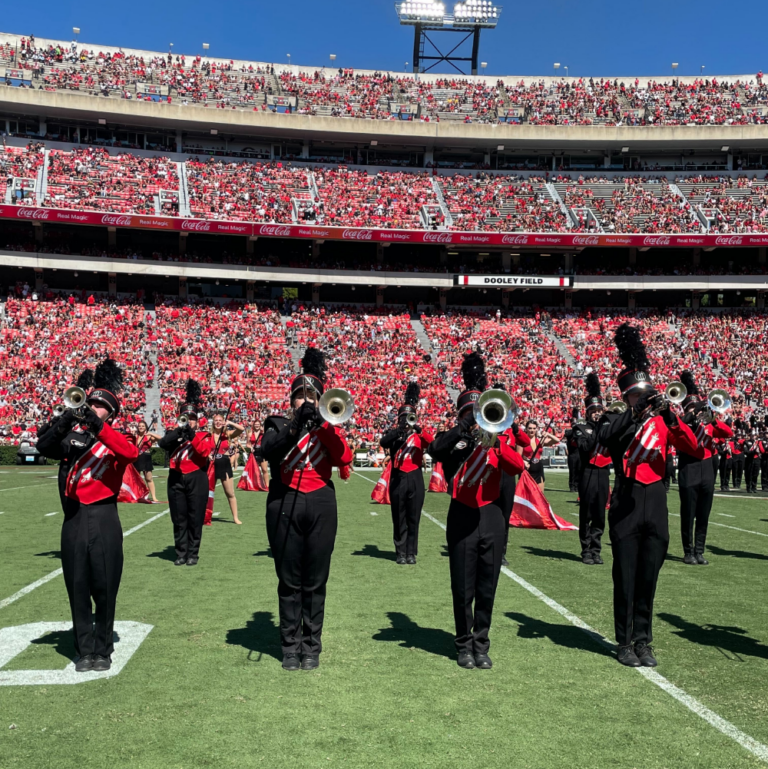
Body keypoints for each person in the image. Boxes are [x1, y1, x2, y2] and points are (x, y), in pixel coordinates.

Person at [598, 324, 697, 669]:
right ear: (626, 396)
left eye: (646, 394)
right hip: (626, 500)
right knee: (625, 575)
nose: (644, 398)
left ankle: (644, 640)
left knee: (649, 575)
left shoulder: (662, 422)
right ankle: (624, 642)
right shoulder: (617, 417)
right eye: (636, 394)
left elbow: (692, 448)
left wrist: (671, 417)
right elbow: (607, 437)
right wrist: (634, 414)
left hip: (655, 500)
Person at [36, 358, 139, 673]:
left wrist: (97, 426)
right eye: (90, 403)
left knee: (105, 586)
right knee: (77, 585)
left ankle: (103, 649)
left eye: (99, 405)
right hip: (75, 518)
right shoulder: (71, 439)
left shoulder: (117, 439)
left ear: (111, 412)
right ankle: (84, 650)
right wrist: (67, 419)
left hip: (105, 516)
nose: (92, 407)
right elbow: (44, 445)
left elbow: (130, 453)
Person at [429, 352, 525, 670]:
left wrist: (495, 441)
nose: (476, 417)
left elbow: (517, 466)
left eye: (479, 411)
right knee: (462, 586)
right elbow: (436, 450)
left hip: (492, 515)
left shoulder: (498, 438)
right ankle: (463, 645)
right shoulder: (454, 439)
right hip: (462, 513)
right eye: (470, 412)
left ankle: (481, 644)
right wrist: (463, 427)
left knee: (487, 585)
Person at [261, 348, 353, 672]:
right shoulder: (277, 423)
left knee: (315, 580)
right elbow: (267, 450)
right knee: (288, 581)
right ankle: (290, 646)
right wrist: (296, 425)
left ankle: (311, 646)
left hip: (321, 502)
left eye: (311, 395)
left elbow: (343, 458)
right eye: (300, 395)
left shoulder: (327, 427)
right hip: (285, 501)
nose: (306, 401)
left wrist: (322, 427)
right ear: (291, 400)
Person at [676, 371, 733, 565]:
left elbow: (728, 433)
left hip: (707, 469)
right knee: (688, 513)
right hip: (689, 468)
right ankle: (688, 551)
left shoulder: (707, 424)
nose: (697, 410)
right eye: (692, 407)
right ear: (686, 408)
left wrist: (714, 419)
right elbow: (678, 430)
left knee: (703, 513)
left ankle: (699, 551)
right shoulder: (683, 424)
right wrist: (691, 415)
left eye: (697, 406)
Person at [158, 379, 216, 566]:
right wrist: (179, 433)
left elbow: (204, 452)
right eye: (185, 418)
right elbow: (162, 444)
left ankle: (193, 553)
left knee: (195, 516)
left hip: (197, 477)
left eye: (192, 419)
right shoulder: (174, 434)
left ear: (197, 421)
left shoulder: (203, 436)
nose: (189, 421)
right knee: (179, 517)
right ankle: (180, 553)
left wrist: (191, 436)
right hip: (176, 478)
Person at [379, 382, 433, 564]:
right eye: (404, 418)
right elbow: (383, 442)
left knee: (413, 517)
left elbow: (432, 444)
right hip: (398, 477)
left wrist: (418, 428)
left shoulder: (418, 435)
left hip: (416, 477)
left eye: (409, 418)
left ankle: (411, 552)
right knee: (399, 516)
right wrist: (399, 431)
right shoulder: (396, 435)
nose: (407, 421)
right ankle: (400, 552)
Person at [572, 373, 610, 566]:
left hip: (603, 473)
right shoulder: (581, 428)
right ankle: (585, 550)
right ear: (587, 412)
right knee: (586, 513)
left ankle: (596, 549)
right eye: (593, 410)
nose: (597, 413)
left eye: (599, 410)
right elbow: (585, 448)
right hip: (587, 472)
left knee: (599, 514)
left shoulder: (607, 427)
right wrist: (598, 428)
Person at [210, 411, 245, 524]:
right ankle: (205, 515)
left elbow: (241, 429)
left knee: (230, 493)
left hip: (224, 464)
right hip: (211, 464)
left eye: (220, 421)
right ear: (213, 423)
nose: (218, 423)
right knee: (208, 492)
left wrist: (230, 422)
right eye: (216, 421)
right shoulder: (208, 435)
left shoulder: (228, 434)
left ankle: (235, 517)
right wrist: (207, 455)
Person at [522, 420, 559, 492]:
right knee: (527, 496)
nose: (532, 430)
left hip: (539, 468)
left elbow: (557, 440)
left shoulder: (540, 440)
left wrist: (548, 434)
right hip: (527, 469)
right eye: (530, 428)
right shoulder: (522, 440)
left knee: (540, 495)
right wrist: (523, 461)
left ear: (536, 429)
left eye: (534, 428)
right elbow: (517, 455)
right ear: (526, 429)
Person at [133, 419, 163, 503]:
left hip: (146, 457)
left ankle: (153, 497)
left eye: (142, 426)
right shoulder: (136, 436)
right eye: (139, 426)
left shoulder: (149, 436)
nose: (141, 427)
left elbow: (160, 438)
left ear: (145, 427)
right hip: (137, 458)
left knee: (148, 478)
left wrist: (150, 433)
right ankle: (137, 495)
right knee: (137, 478)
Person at [564, 411, 581, 492]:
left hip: (579, 453)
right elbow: (568, 434)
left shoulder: (579, 432)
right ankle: (572, 486)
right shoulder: (569, 432)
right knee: (572, 471)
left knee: (578, 470)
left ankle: (577, 486)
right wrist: (575, 428)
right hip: (572, 454)